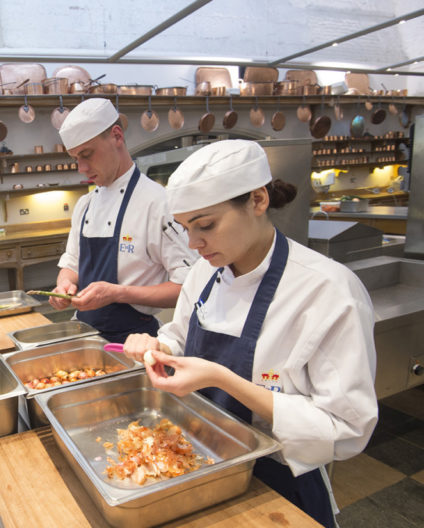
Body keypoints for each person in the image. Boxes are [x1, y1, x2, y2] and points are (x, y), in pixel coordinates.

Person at [122, 140, 378, 528]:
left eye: (205, 225)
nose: (194, 243)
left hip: (278, 484)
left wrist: (223, 379)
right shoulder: (205, 272)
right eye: (186, 228)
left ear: (258, 200)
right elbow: (180, 333)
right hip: (197, 463)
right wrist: (157, 346)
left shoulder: (327, 292)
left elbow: (346, 428)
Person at [49, 97, 197, 343]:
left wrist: (118, 294)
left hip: (135, 342)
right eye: (76, 158)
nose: (82, 168)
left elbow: (189, 287)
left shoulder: (157, 203)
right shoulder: (85, 205)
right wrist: (63, 286)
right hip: (86, 336)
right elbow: (72, 264)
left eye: (87, 154)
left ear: (117, 136)